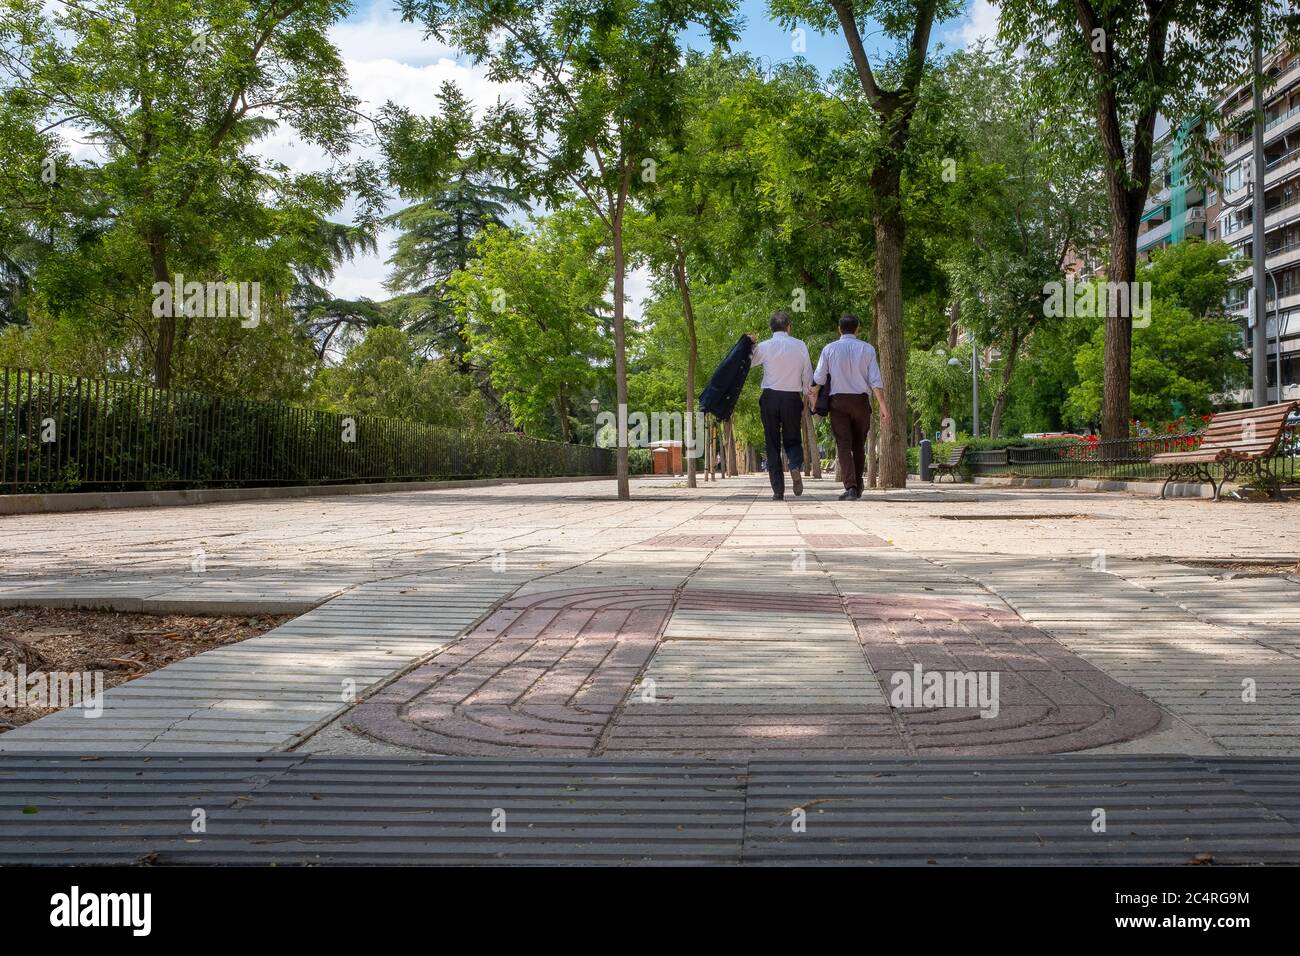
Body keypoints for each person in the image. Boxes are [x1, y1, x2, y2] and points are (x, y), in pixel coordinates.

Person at [807, 313, 889, 501]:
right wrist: (883, 406)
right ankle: (858, 485)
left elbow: (818, 378)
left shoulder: (829, 349)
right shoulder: (868, 349)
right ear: (857, 329)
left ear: (839, 329)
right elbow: (875, 380)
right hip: (861, 402)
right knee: (859, 444)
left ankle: (850, 487)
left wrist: (813, 398)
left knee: (843, 444)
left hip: (838, 403)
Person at [749, 311, 813, 500]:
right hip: (792, 398)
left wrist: (750, 345)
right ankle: (794, 464)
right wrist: (808, 396)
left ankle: (778, 490)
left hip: (770, 397)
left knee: (772, 443)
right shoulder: (800, 345)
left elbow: (749, 362)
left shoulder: (765, 346)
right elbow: (807, 375)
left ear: (771, 328)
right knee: (793, 439)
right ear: (789, 326)